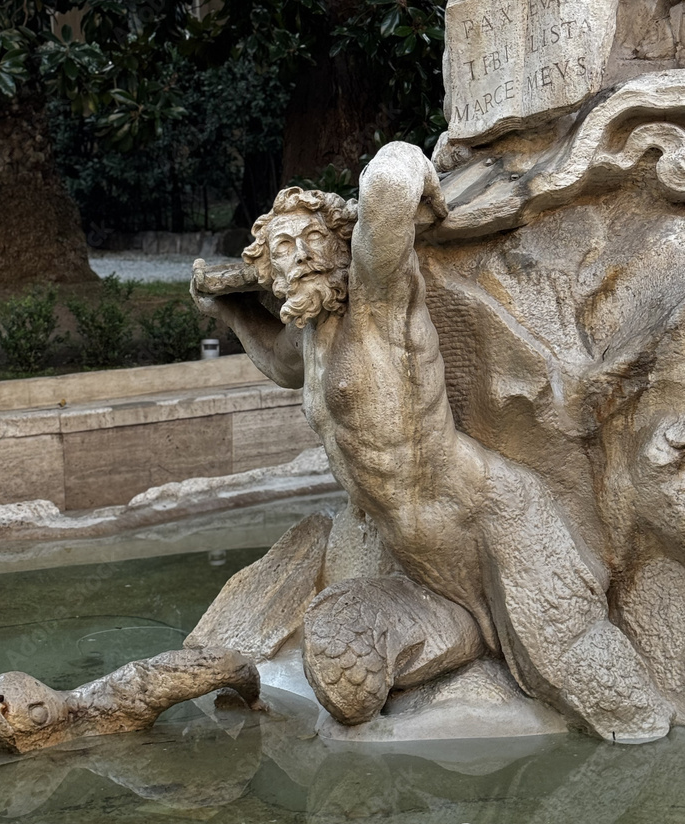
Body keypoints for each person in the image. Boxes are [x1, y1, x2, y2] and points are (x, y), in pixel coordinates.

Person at [191, 141, 674, 740]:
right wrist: (230, 312)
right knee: (374, 665)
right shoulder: (314, 337)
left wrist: (407, 161)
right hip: (423, 552)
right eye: (283, 249)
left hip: (491, 520)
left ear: (343, 244)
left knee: (598, 690)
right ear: (269, 271)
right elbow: (281, 363)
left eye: (313, 239)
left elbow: (390, 188)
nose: (301, 257)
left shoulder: (378, 302)